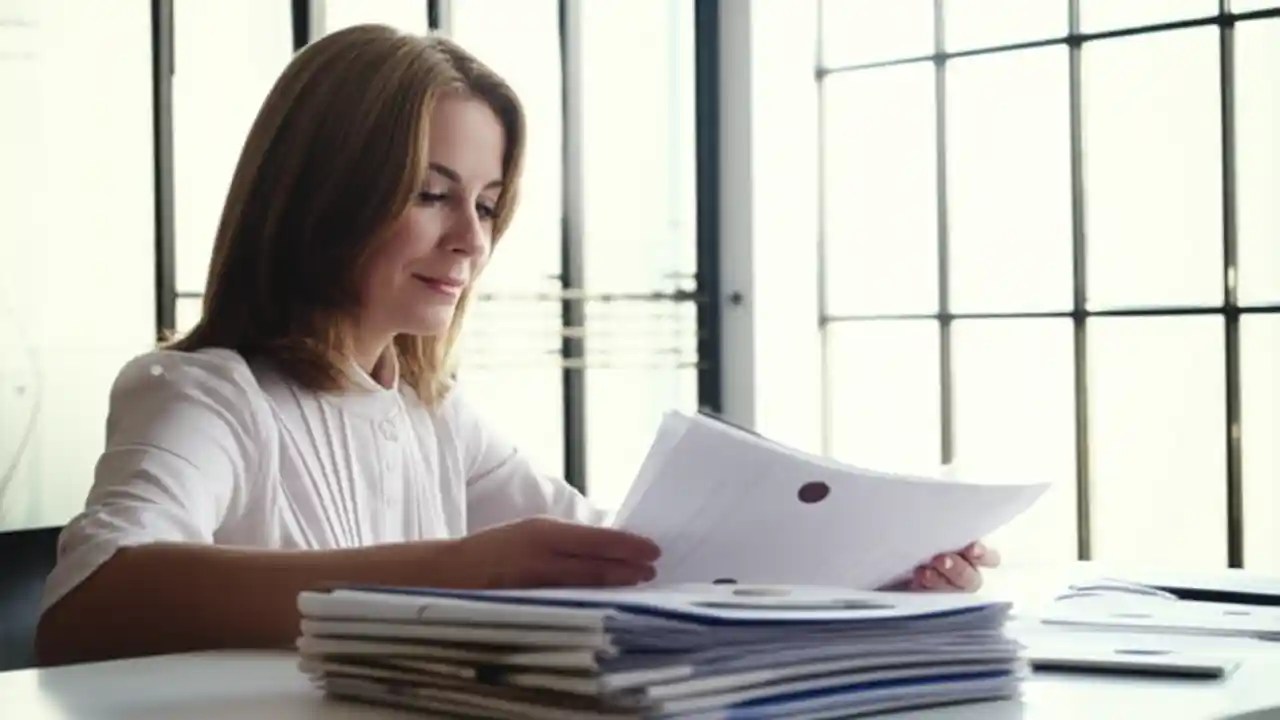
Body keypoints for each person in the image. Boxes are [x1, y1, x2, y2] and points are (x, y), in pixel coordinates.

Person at [35, 25, 997, 666]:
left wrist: (874, 567)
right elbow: (91, 604)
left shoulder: (434, 416)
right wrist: (463, 566)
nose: (473, 242)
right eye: (432, 193)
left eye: (489, 205)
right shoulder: (202, 395)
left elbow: (637, 563)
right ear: (327, 192)